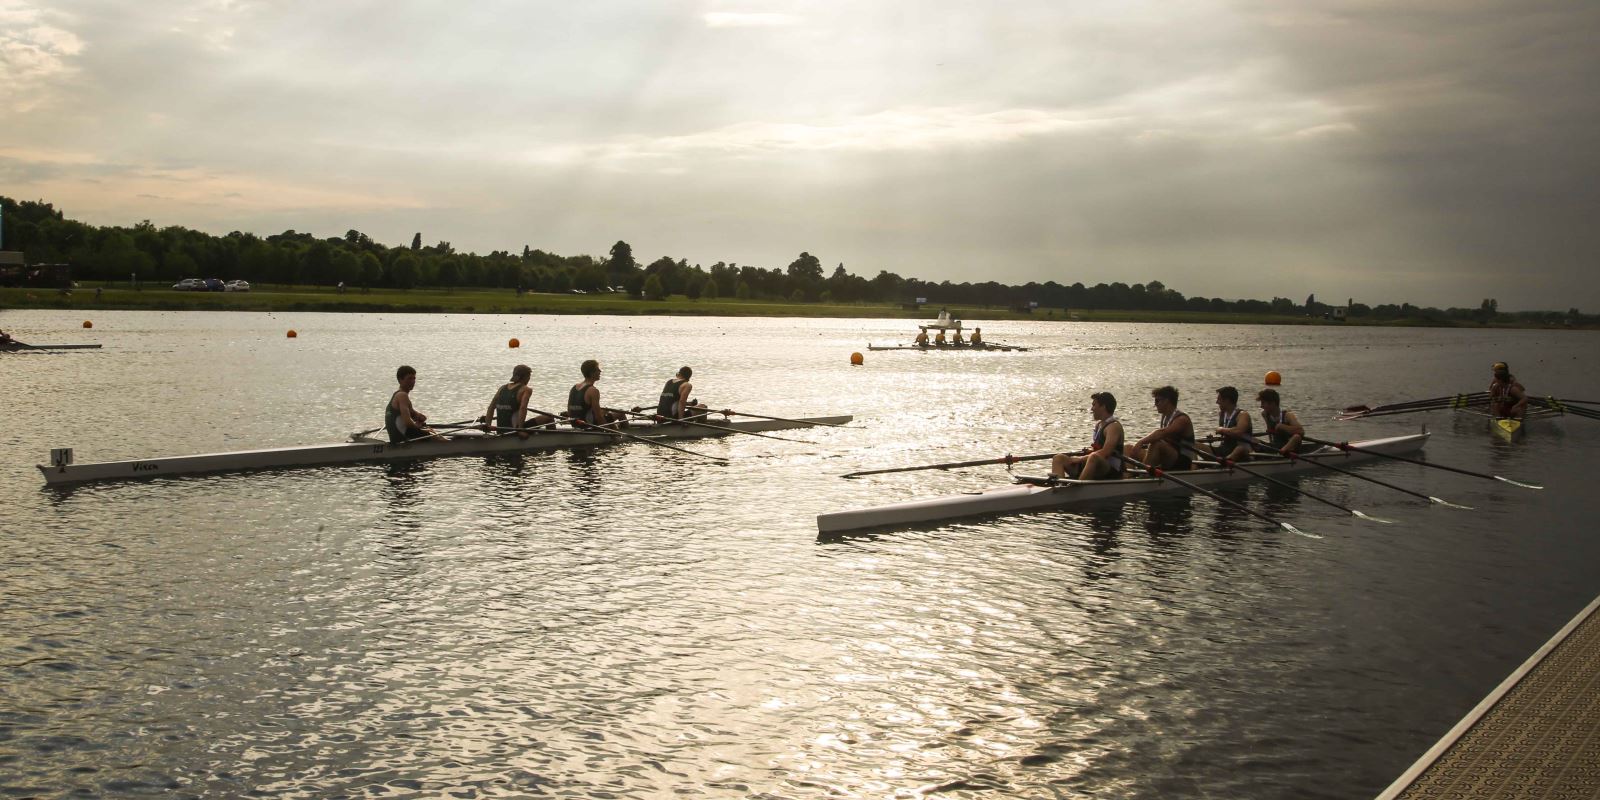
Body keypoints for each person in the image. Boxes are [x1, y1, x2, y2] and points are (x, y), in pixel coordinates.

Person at [1052, 392, 1124, 480]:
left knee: (1093, 457)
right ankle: (1058, 487)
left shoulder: (1113, 426)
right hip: (1094, 464)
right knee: (1058, 458)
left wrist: (1080, 458)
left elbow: (1106, 452)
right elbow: (1098, 449)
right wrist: (1089, 452)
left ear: (1103, 406)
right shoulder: (1099, 425)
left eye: (1094, 405)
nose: (1091, 409)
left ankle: (1079, 489)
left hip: (1111, 470)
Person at [1126, 385, 1195, 470]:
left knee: (1156, 443)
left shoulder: (1182, 419)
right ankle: (1127, 477)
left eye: (1157, 401)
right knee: (1129, 448)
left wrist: (1141, 442)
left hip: (1182, 462)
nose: (1155, 404)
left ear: (1167, 401)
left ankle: (1142, 476)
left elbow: (1161, 433)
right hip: (1168, 457)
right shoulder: (1165, 416)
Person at [481, 364, 555, 434]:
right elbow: (523, 408)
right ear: (525, 377)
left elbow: (491, 407)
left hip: (501, 430)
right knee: (549, 417)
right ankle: (552, 440)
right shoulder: (526, 389)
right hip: (515, 430)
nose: (529, 379)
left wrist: (488, 426)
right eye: (529, 376)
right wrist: (520, 430)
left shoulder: (502, 388)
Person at [566, 359, 628, 428]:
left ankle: (616, 429)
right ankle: (626, 435)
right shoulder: (593, 391)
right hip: (589, 425)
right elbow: (598, 417)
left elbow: (569, 412)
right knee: (621, 413)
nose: (600, 371)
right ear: (592, 372)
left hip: (576, 424)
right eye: (597, 369)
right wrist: (607, 431)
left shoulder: (574, 387)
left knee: (605, 412)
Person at [385, 365, 434, 443]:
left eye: (414, 378)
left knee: (428, 430)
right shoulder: (402, 396)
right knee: (432, 433)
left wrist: (419, 417)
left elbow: (415, 415)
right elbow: (408, 423)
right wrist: (417, 426)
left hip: (397, 437)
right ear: (400, 380)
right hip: (403, 439)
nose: (413, 381)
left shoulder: (397, 395)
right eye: (409, 378)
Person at [1210, 386, 1254, 462]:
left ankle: (1223, 463)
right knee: (1194, 444)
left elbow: (1238, 432)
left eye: (1219, 399)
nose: (1217, 402)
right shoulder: (1222, 414)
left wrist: (1222, 429)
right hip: (1224, 450)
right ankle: (1192, 469)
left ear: (1227, 401)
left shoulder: (1243, 415)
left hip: (1243, 452)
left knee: (1240, 448)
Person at [1257, 389, 1305, 455]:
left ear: (1272, 403)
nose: (1261, 406)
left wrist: (1282, 427)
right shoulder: (1265, 414)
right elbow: (1271, 434)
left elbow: (1301, 431)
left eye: (1263, 403)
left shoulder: (1288, 415)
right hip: (1276, 446)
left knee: (1297, 437)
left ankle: (1281, 452)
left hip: (1291, 448)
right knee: (1254, 440)